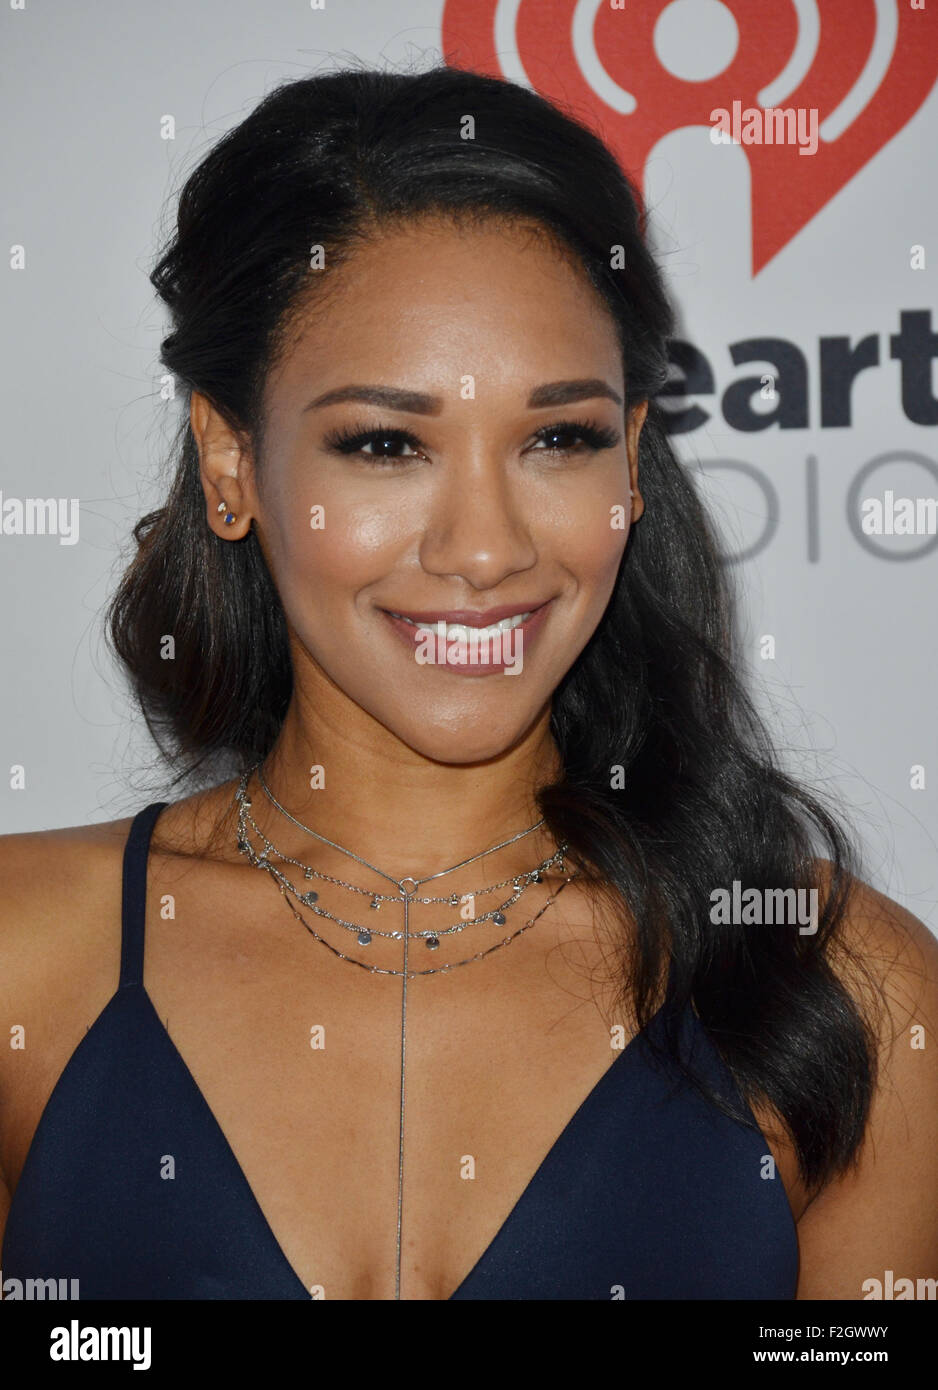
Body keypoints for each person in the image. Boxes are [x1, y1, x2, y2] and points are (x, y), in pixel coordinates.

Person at [1, 63, 936, 1303]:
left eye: (559, 436)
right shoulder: (25, 956)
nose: (485, 549)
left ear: (633, 457)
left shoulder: (839, 988)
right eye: (385, 444)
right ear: (228, 457)